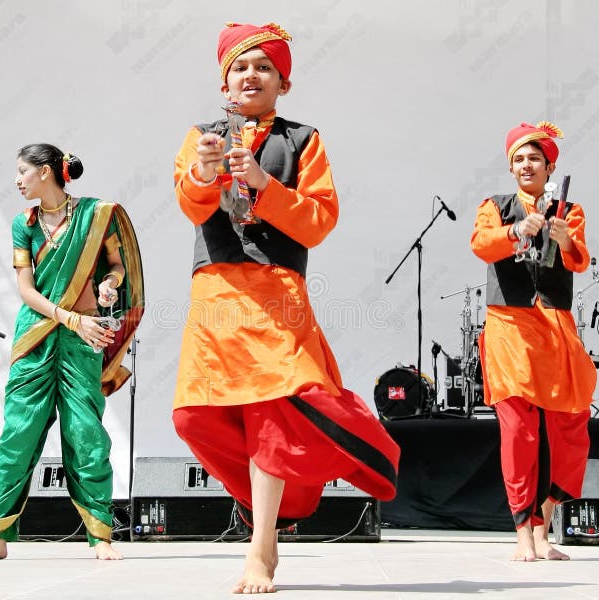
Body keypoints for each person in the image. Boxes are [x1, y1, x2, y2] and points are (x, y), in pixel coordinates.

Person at [172, 23, 400, 593]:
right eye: (240, 67)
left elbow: (319, 219)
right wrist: (205, 171)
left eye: (264, 68)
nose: (251, 75)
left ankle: (262, 548)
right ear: (224, 78)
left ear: (283, 81)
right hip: (217, 292)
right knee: (194, 416)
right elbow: (190, 203)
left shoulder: (303, 140)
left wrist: (261, 181)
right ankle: (272, 507)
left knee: (273, 418)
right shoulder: (202, 135)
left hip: (278, 291)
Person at [0, 143, 144, 561]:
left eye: (22, 171)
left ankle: (101, 536)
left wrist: (110, 284)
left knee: (86, 434)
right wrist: (70, 317)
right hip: (38, 337)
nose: (17, 180)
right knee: (17, 434)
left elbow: (117, 265)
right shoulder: (22, 223)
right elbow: (26, 290)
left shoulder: (97, 215)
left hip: (82, 342)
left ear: (46, 172)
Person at [470, 121, 597, 561]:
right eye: (519, 159)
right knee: (519, 428)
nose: (526, 165)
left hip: (556, 325)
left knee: (572, 424)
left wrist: (564, 240)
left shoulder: (569, 210)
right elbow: (481, 245)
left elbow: (579, 260)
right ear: (511, 167)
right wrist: (516, 230)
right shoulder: (496, 206)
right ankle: (524, 530)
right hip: (510, 326)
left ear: (549, 166)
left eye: (534, 159)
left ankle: (545, 513)